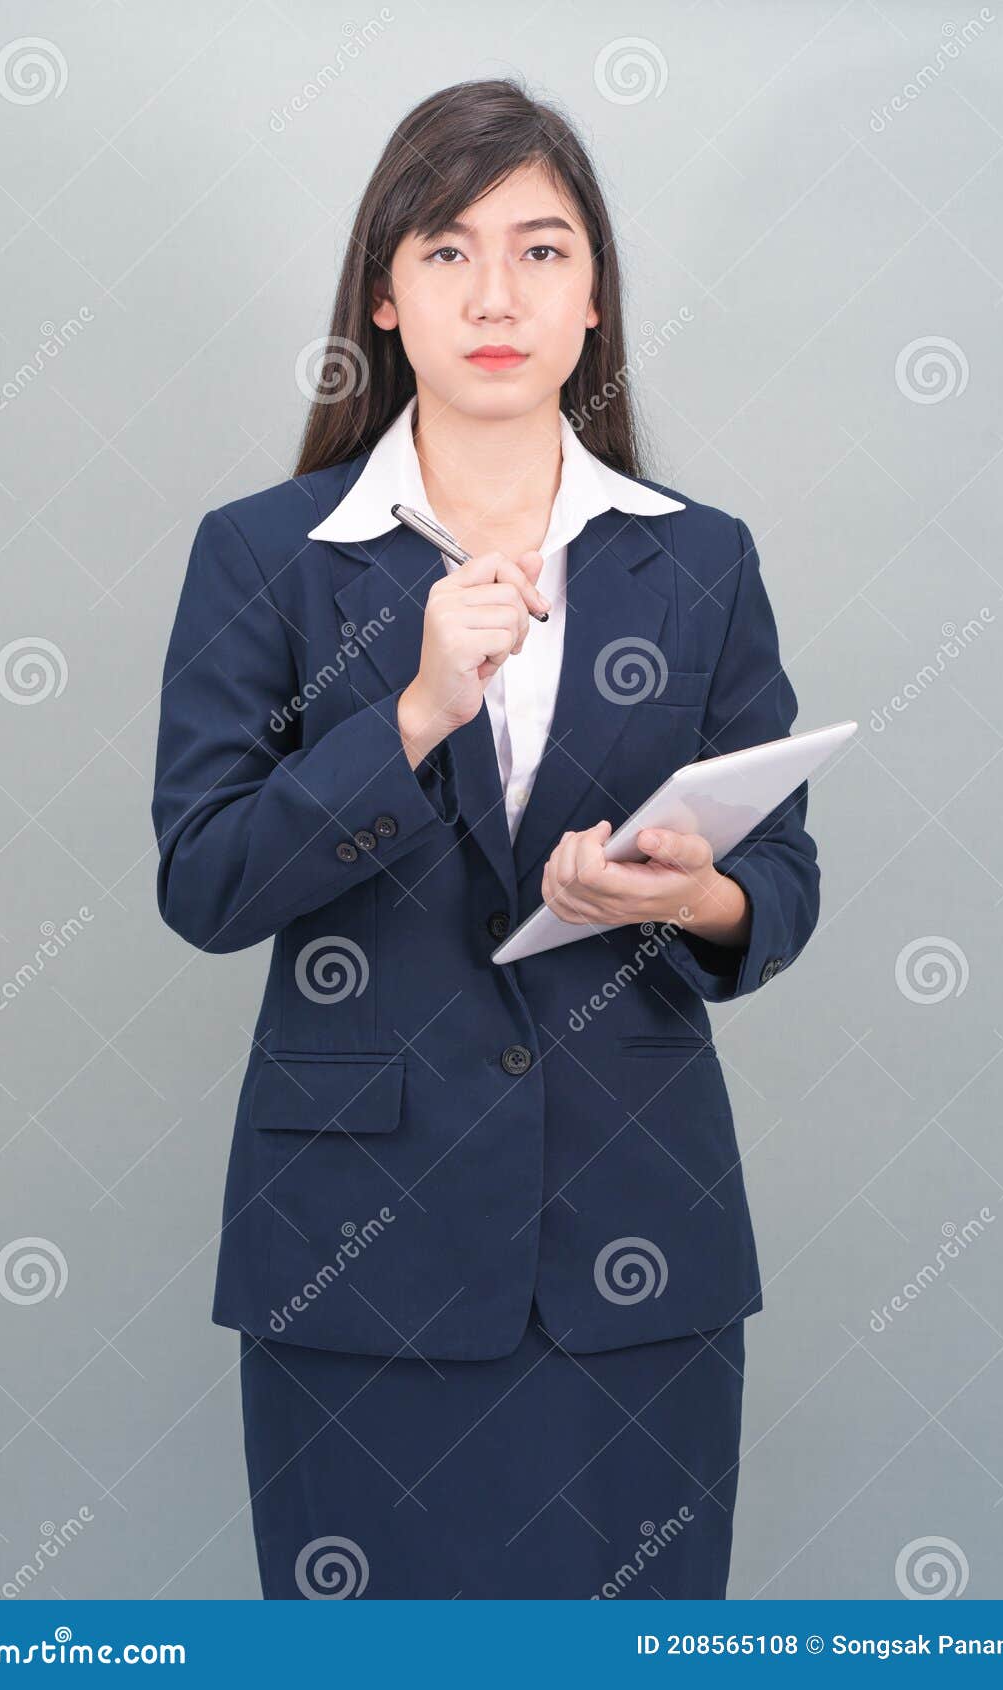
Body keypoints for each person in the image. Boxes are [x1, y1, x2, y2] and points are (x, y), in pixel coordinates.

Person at [150, 77, 820, 1601]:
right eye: (447, 252)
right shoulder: (267, 557)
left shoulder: (699, 562)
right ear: (384, 297)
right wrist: (406, 718)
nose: (496, 293)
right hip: (356, 1252)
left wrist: (697, 892)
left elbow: (783, 878)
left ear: (596, 303)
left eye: (542, 250)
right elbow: (204, 878)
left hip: (635, 1242)